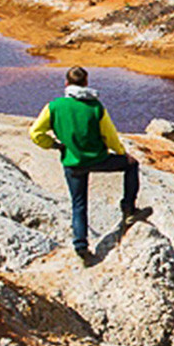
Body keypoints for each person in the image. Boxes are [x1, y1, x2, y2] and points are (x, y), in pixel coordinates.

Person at [30, 66, 150, 264]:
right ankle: (129, 209)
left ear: (66, 84)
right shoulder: (96, 107)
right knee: (131, 165)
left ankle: (81, 246)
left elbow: (35, 133)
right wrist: (121, 153)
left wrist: (55, 145)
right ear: (86, 83)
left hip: (72, 163)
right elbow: (110, 136)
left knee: (79, 204)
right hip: (98, 159)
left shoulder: (54, 106)